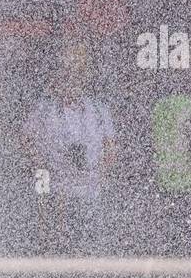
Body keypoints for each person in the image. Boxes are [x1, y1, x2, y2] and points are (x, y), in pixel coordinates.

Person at [21, 37, 118, 255]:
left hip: (89, 186)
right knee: (52, 233)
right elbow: (25, 140)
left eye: (77, 76)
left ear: (84, 80)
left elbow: (111, 147)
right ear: (57, 79)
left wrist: (101, 174)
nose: (71, 80)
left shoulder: (99, 110)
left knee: (87, 236)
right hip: (53, 184)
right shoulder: (44, 109)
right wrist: (41, 166)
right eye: (66, 75)